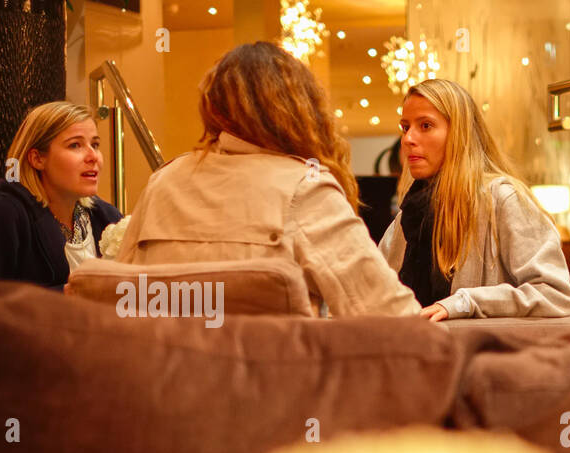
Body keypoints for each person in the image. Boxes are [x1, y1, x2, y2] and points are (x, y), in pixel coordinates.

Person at [113, 41, 419, 318]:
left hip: (163, 374)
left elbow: (117, 295)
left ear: (213, 107)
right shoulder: (305, 187)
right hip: (268, 375)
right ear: (302, 110)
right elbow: (390, 314)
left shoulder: (164, 181)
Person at [380, 78, 570, 320]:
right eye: (405, 127)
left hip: (484, 354)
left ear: (459, 134)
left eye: (426, 125)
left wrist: (466, 302)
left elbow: (554, 295)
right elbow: (374, 292)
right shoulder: (408, 215)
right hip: (417, 351)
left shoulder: (504, 199)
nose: (408, 138)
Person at [0, 102, 122, 288]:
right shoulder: (0, 213)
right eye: (75, 145)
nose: (93, 156)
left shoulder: (105, 216)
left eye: (95, 144)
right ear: (37, 159)